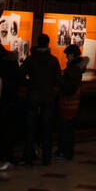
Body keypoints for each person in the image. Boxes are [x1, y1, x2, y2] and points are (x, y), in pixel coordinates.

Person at [20, 33, 61, 166]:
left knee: (30, 127)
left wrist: (30, 84)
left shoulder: (31, 60)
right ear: (48, 44)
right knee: (47, 128)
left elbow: (21, 74)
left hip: (33, 96)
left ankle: (29, 156)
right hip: (48, 96)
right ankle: (46, 156)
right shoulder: (53, 60)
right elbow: (58, 78)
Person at [0, 42, 18, 169]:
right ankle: (4, 157)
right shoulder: (11, 63)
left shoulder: (1, 65)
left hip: (4, 101)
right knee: (6, 131)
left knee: (2, 131)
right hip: (10, 101)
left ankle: (3, 157)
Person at [56, 43, 84, 161]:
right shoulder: (76, 68)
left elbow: (69, 86)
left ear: (72, 55)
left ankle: (66, 152)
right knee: (67, 128)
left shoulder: (74, 69)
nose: (67, 57)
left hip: (69, 103)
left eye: (68, 55)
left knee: (67, 128)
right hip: (71, 103)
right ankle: (63, 150)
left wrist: (60, 81)